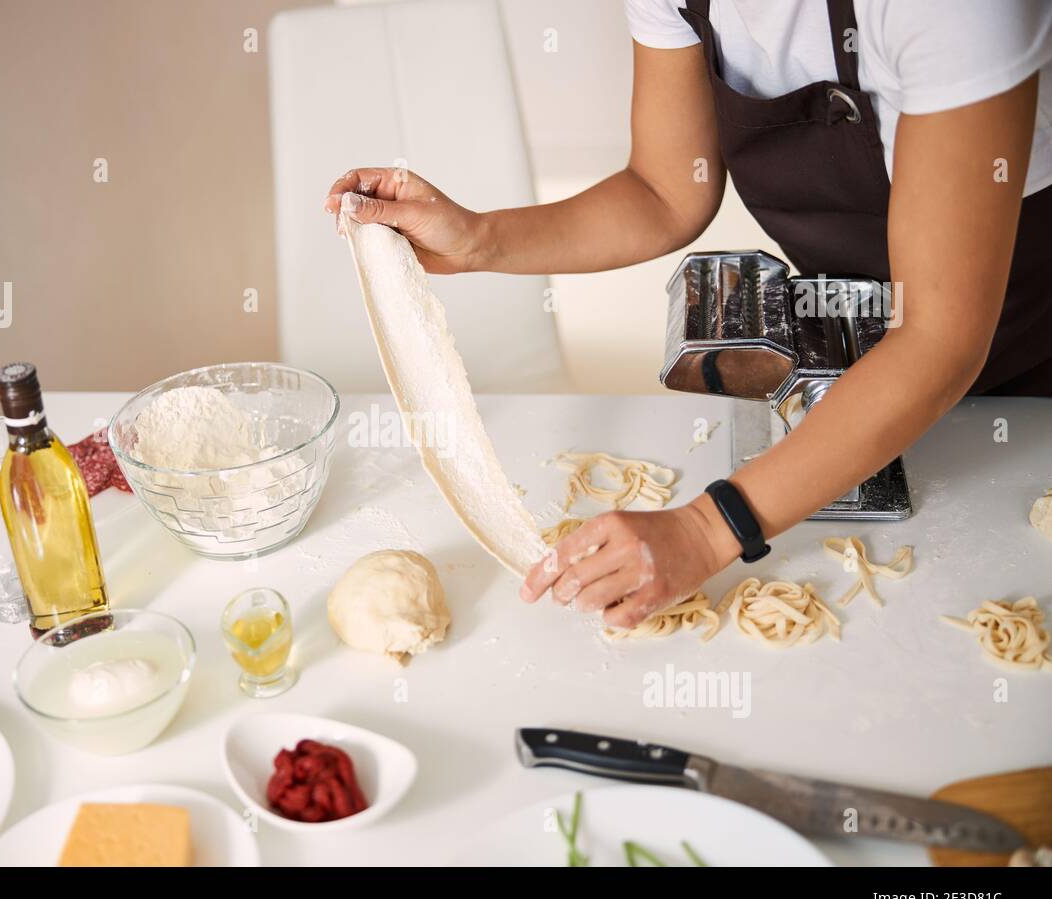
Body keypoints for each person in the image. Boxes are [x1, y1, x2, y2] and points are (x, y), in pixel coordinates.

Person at [324, 0, 1052, 629]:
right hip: (880, 380)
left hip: (1025, 367)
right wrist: (478, 239)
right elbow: (665, 190)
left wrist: (708, 531)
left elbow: (938, 338)